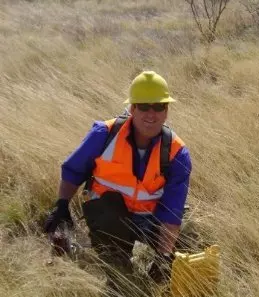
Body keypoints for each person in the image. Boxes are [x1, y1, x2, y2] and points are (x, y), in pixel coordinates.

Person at [44, 70, 192, 284]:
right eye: (143, 106)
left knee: (182, 247)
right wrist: (62, 205)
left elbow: (172, 210)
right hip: (109, 217)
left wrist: (163, 257)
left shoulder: (177, 153)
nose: (151, 114)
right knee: (118, 270)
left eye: (159, 107)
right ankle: (115, 259)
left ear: (166, 111)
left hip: (150, 219)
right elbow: (73, 170)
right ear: (132, 108)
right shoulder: (104, 134)